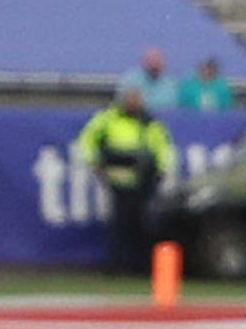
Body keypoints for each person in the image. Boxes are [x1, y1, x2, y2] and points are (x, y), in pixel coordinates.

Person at [70, 76, 176, 277]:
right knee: (118, 224)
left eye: (137, 97)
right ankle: (116, 266)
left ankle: (143, 267)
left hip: (143, 181)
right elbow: (86, 139)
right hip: (117, 180)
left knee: (143, 224)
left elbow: (163, 146)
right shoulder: (108, 119)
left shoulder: (150, 123)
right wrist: (94, 162)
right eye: (130, 97)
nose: (134, 101)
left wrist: (163, 169)